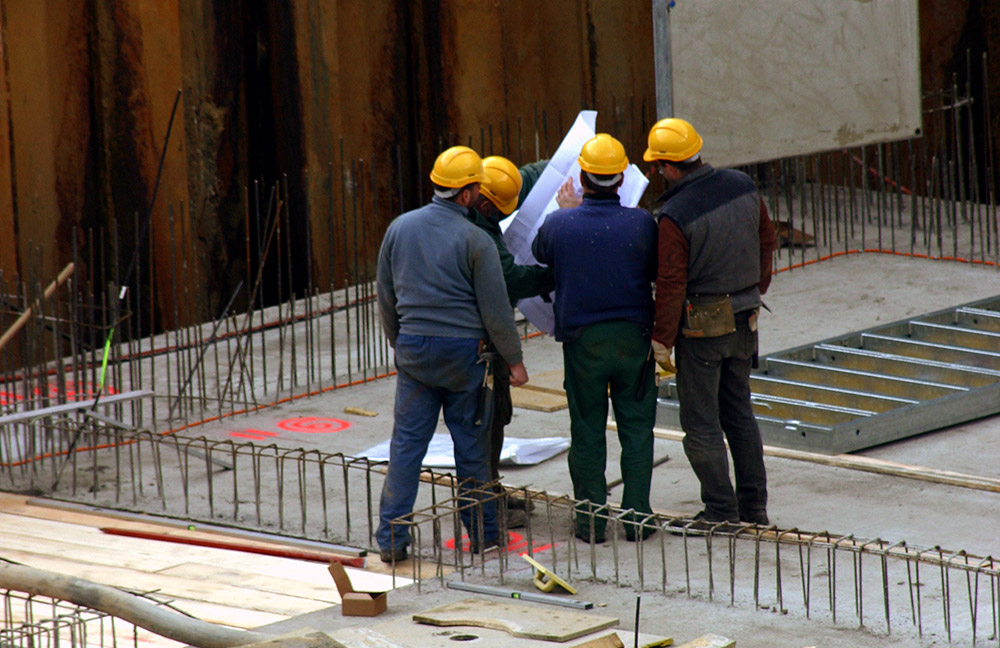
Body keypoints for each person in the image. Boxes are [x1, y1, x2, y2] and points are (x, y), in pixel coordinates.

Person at [375, 145, 529, 563]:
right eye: (476, 188)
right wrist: (514, 361)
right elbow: (496, 313)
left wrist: (402, 345)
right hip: (465, 358)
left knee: (406, 448)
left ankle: (391, 540)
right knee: (471, 449)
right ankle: (485, 537)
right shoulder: (475, 240)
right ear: (465, 194)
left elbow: (386, 298)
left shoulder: (399, 229)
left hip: (414, 351)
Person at [644, 117, 778, 527]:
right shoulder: (742, 184)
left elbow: (671, 282)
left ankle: (721, 511)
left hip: (703, 329)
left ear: (668, 167)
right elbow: (767, 238)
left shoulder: (674, 214)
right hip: (746, 319)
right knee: (738, 411)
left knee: (701, 421)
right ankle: (753, 508)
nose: (655, 174)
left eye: (656, 167)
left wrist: (661, 340)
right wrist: (757, 286)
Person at [531, 134, 658, 543]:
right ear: (621, 180)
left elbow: (540, 251)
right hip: (633, 340)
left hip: (583, 342)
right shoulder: (641, 222)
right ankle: (637, 520)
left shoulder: (559, 224)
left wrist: (567, 211)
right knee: (637, 429)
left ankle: (590, 522)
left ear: (582, 178)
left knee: (587, 430)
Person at [466, 155, 554, 527]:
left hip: (470, 341)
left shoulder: (489, 181)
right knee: (486, 419)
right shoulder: (479, 234)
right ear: (486, 204)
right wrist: (554, 274)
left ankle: (490, 490)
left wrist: (567, 162)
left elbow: (529, 176)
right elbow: (513, 283)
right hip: (478, 343)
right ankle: (483, 507)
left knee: (493, 418)